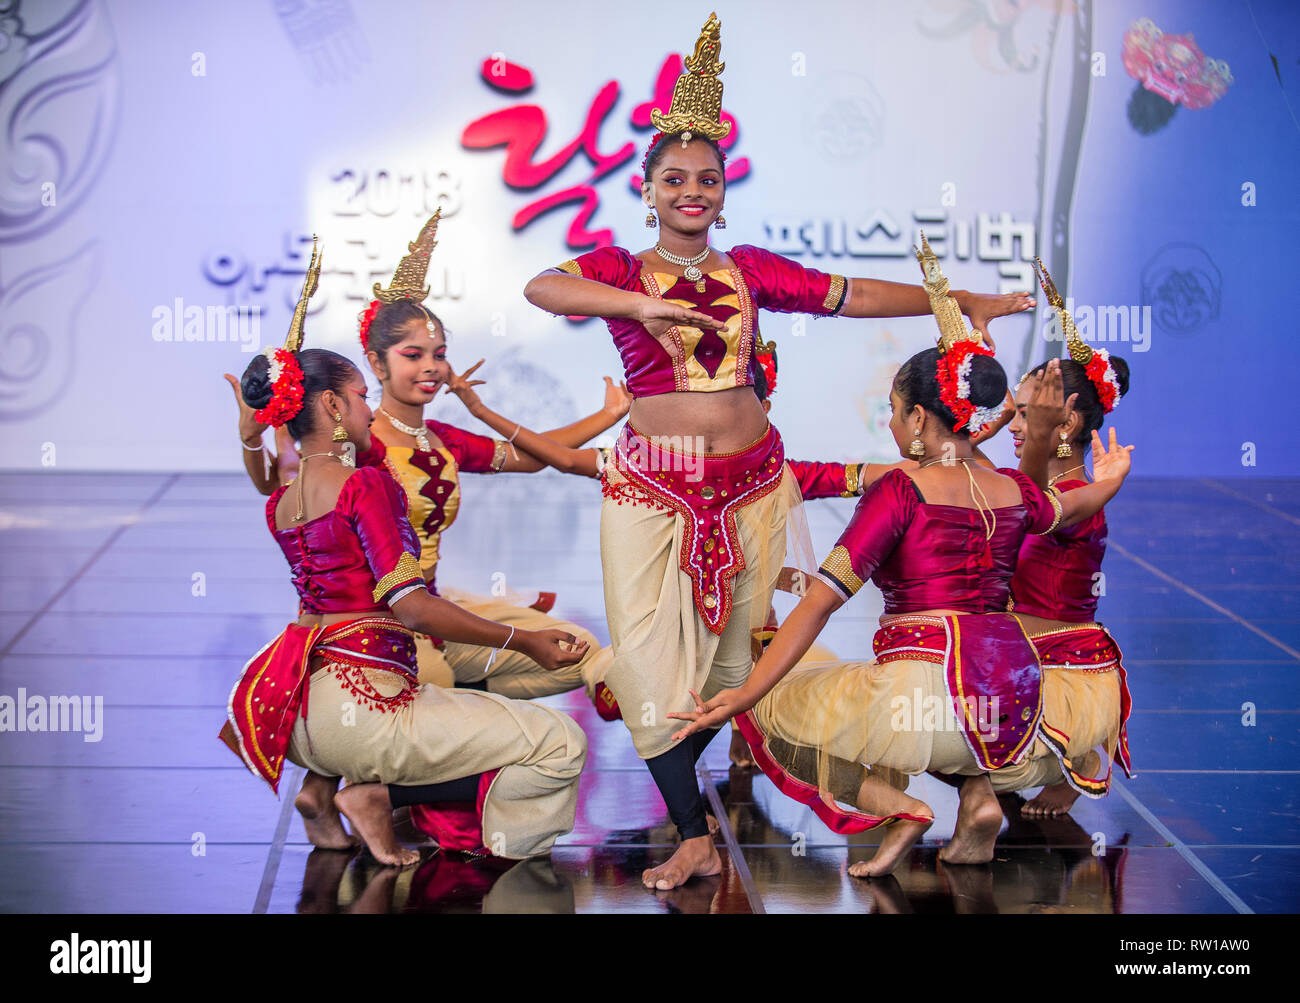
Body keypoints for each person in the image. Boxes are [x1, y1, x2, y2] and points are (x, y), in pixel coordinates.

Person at [522, 14, 1036, 891]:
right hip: (657, 488)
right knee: (647, 661)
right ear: (647, 191)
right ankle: (691, 830)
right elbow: (542, 285)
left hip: (755, 485)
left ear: (724, 194)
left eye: (708, 180)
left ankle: (701, 802)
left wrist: (961, 301)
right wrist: (637, 309)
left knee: (735, 659)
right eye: (675, 179)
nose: (692, 191)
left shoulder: (750, 269)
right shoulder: (617, 266)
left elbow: (854, 292)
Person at [667, 239, 1134, 877]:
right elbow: (1063, 507)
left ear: (918, 417)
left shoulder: (900, 489)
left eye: (892, 412)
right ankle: (977, 794)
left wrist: (747, 693)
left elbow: (821, 606)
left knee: (776, 710)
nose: (889, 426)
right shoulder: (1016, 490)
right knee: (933, 723)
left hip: (930, 691)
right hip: (1017, 707)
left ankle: (899, 808)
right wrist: (1108, 479)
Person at [220, 240, 589, 865]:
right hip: (367, 702)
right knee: (561, 741)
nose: (370, 405)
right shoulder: (366, 483)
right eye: (361, 394)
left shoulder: (279, 503)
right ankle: (469, 840)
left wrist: (253, 437)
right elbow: (412, 608)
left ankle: (336, 787)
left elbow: (274, 472)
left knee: (474, 694)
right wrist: (521, 640)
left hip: (301, 715)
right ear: (334, 405)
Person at [993, 258, 1135, 815]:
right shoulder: (1029, 477)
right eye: (1016, 412)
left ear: (1066, 424)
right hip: (1013, 649)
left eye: (1027, 414)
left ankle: (1072, 755)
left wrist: (1108, 484)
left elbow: (1028, 513)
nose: (1016, 425)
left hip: (1056, 665)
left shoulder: (1080, 496)